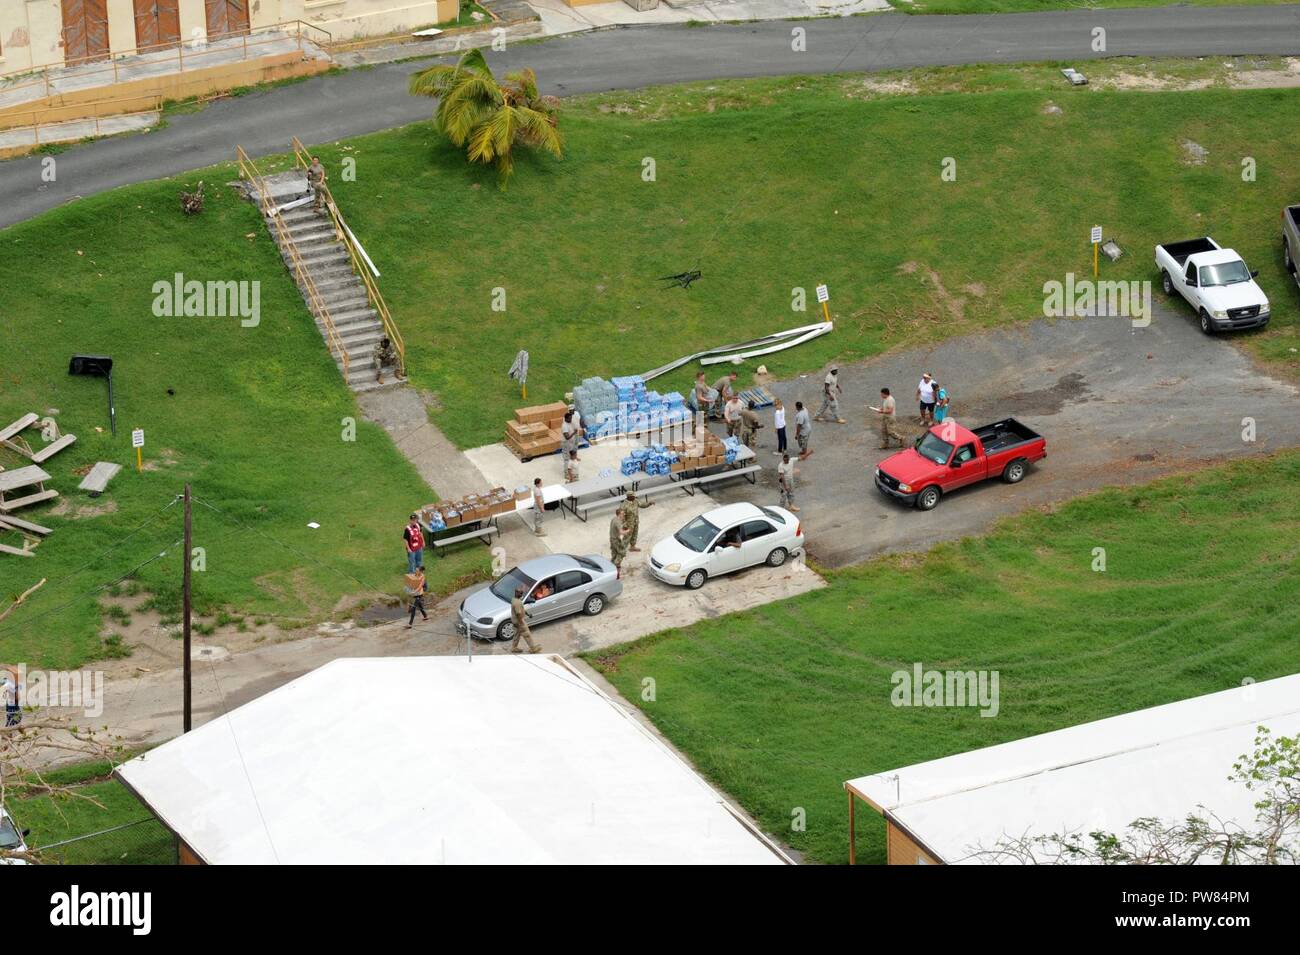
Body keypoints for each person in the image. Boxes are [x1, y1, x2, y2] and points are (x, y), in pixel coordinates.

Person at [510, 586, 542, 654]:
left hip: (515, 621)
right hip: (519, 621)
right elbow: (518, 613)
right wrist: (521, 623)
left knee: (517, 635)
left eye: (522, 593)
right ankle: (533, 648)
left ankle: (514, 648)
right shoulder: (517, 603)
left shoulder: (514, 599)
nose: (522, 595)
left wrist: (527, 614)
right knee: (526, 634)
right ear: (517, 593)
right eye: (521, 593)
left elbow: (522, 610)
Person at [609, 511, 629, 577]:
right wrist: (627, 531)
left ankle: (610, 570)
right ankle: (616, 569)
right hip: (616, 540)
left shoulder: (614, 519)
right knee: (622, 553)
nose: (624, 514)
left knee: (614, 554)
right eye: (623, 513)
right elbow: (621, 532)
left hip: (612, 539)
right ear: (619, 514)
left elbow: (617, 528)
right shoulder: (617, 522)